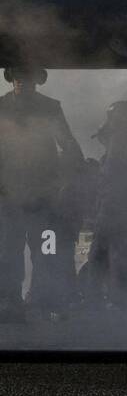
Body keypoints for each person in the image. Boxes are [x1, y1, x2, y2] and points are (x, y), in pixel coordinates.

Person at [0, 65, 84, 320]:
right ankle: (10, 301)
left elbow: (68, 145)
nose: (23, 81)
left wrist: (71, 178)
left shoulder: (50, 107)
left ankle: (39, 298)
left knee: (43, 250)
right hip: (7, 194)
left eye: (27, 77)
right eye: (18, 76)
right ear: (12, 78)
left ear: (37, 80)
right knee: (8, 249)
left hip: (42, 194)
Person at [84, 100, 127, 309]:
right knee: (121, 249)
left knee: (100, 249)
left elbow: (110, 171)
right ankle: (118, 299)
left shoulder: (118, 139)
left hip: (112, 202)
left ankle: (92, 298)